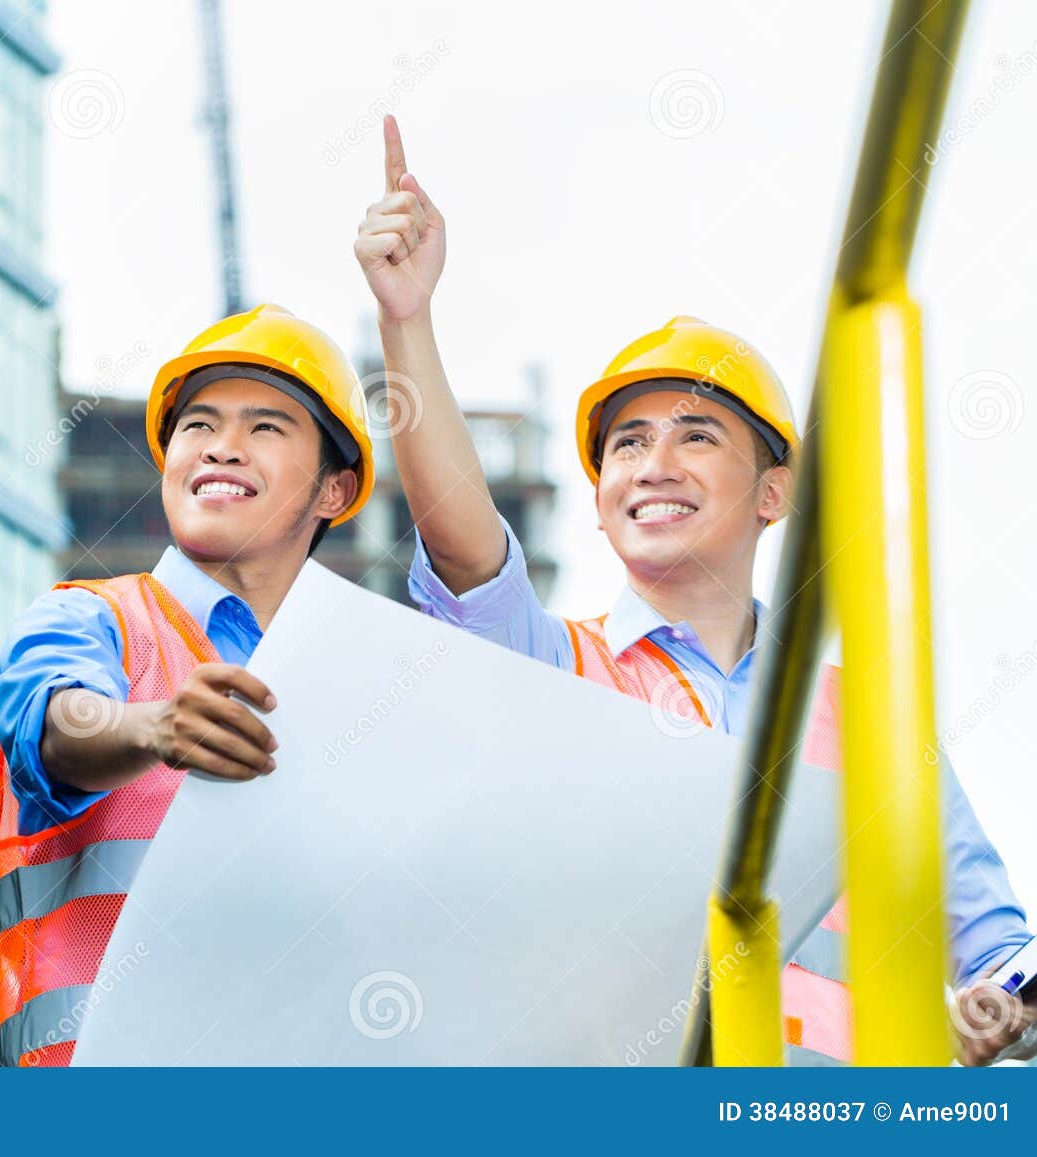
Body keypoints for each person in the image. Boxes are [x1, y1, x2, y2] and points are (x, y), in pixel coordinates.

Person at [354, 113, 1036, 1066]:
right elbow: (466, 547)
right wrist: (405, 318)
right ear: (598, 503)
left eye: (697, 435)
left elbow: (1002, 951)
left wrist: (1000, 1008)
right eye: (627, 443)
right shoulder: (555, 668)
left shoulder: (873, 721)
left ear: (774, 491)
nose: (653, 464)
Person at [0, 303, 373, 1066]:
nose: (221, 448)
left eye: (265, 427)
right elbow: (57, 725)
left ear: (334, 490)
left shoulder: (358, 682)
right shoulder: (89, 620)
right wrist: (154, 727)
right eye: (198, 425)